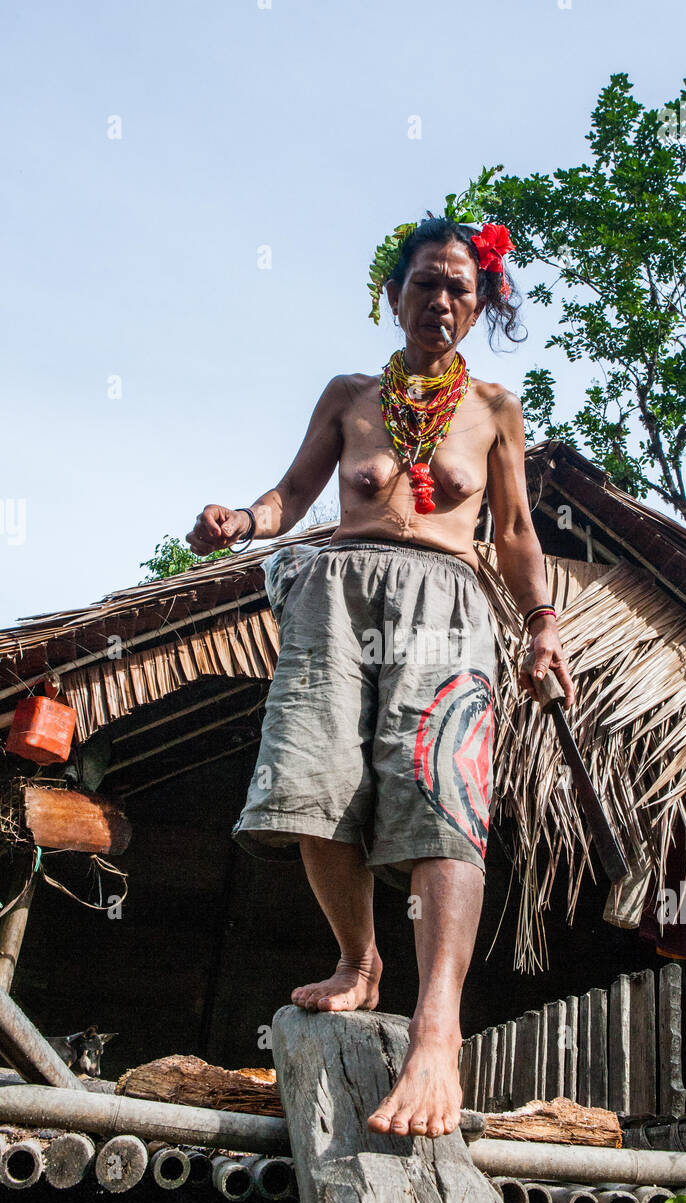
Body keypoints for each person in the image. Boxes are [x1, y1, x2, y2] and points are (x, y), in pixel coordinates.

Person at [187, 213, 574, 1139]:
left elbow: (514, 533)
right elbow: (290, 497)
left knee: (444, 799)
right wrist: (240, 520)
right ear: (391, 293)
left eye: (459, 289)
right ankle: (359, 962)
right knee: (315, 781)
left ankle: (436, 1029)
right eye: (424, 283)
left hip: (448, 607)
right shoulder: (349, 396)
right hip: (336, 595)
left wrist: (541, 628)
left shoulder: (493, 409)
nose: (440, 300)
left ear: (478, 307)